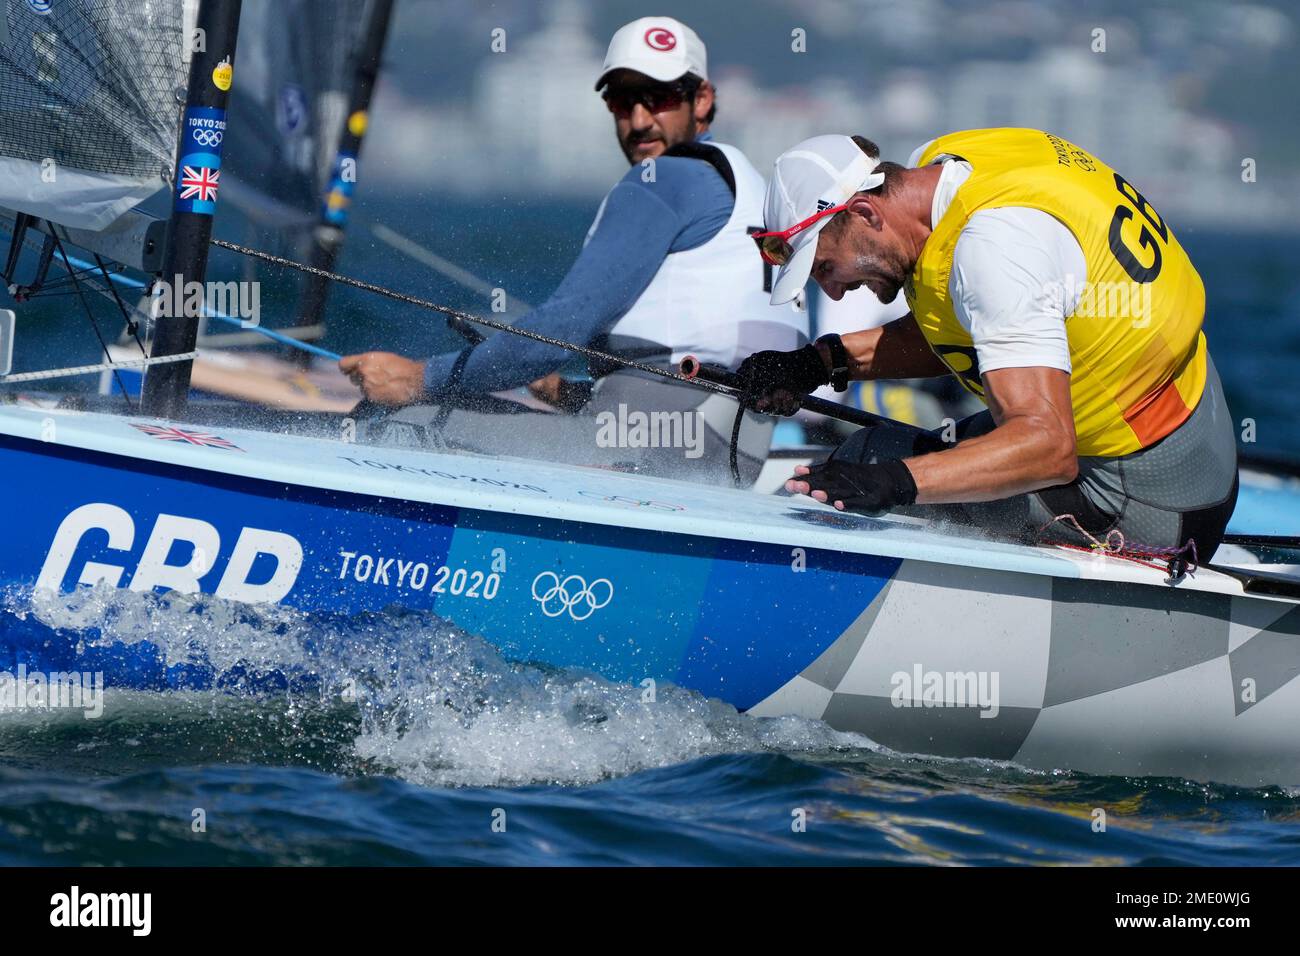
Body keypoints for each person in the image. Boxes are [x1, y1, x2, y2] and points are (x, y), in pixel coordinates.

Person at [339, 17, 807, 484]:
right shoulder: (751, 188)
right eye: (623, 102)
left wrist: (417, 379)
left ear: (701, 99)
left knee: (401, 422)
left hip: (650, 455)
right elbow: (706, 364)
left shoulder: (665, 179)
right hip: (726, 458)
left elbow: (559, 332)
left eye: (659, 99)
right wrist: (572, 393)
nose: (640, 121)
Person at [737, 129, 1238, 557]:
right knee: (883, 465)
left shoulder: (992, 250)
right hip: (1199, 429)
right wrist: (818, 363)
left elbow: (1047, 447)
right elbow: (973, 326)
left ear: (866, 212)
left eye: (826, 267)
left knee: (865, 466)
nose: (834, 290)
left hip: (1149, 497)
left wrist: (893, 483)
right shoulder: (956, 162)